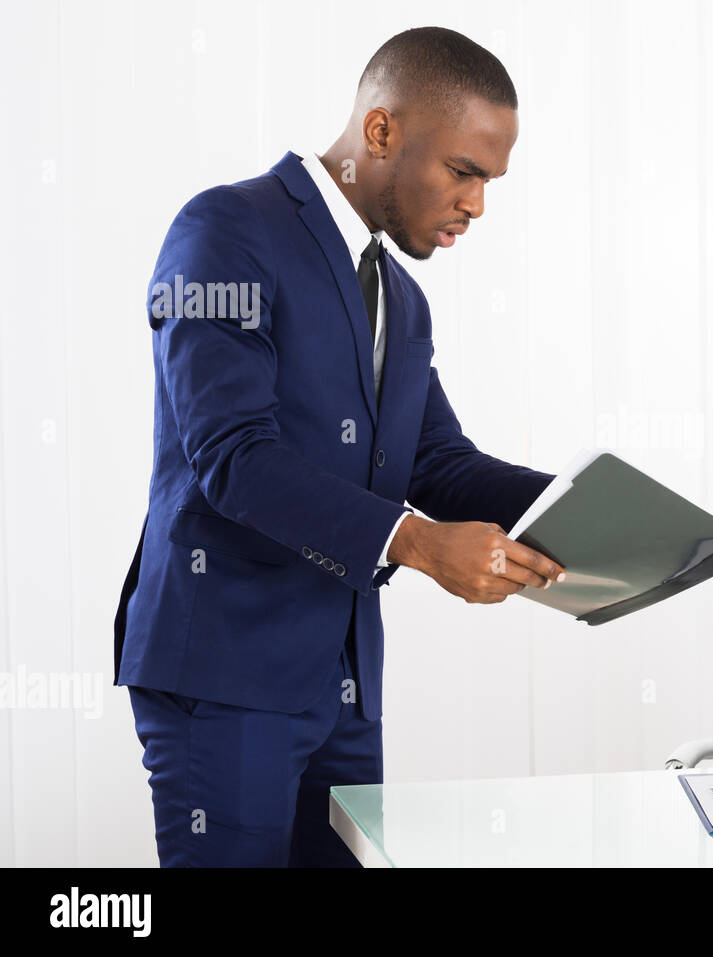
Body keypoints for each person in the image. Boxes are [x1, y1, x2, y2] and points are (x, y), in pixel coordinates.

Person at [113, 27, 565, 866]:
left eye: (490, 182)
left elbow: (438, 462)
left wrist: (594, 508)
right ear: (382, 132)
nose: (476, 203)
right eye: (463, 171)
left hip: (347, 687)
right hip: (226, 677)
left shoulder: (401, 295)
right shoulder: (226, 230)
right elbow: (233, 457)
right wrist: (421, 544)